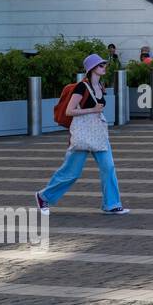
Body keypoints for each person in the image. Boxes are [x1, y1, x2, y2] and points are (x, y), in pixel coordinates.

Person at [34, 54, 129, 215]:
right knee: (72, 172)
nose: (104, 67)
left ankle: (111, 204)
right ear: (91, 68)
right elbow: (69, 111)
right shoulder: (81, 87)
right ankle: (44, 196)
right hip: (83, 133)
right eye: (100, 65)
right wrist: (92, 110)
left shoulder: (101, 85)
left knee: (108, 167)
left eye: (104, 64)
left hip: (98, 133)